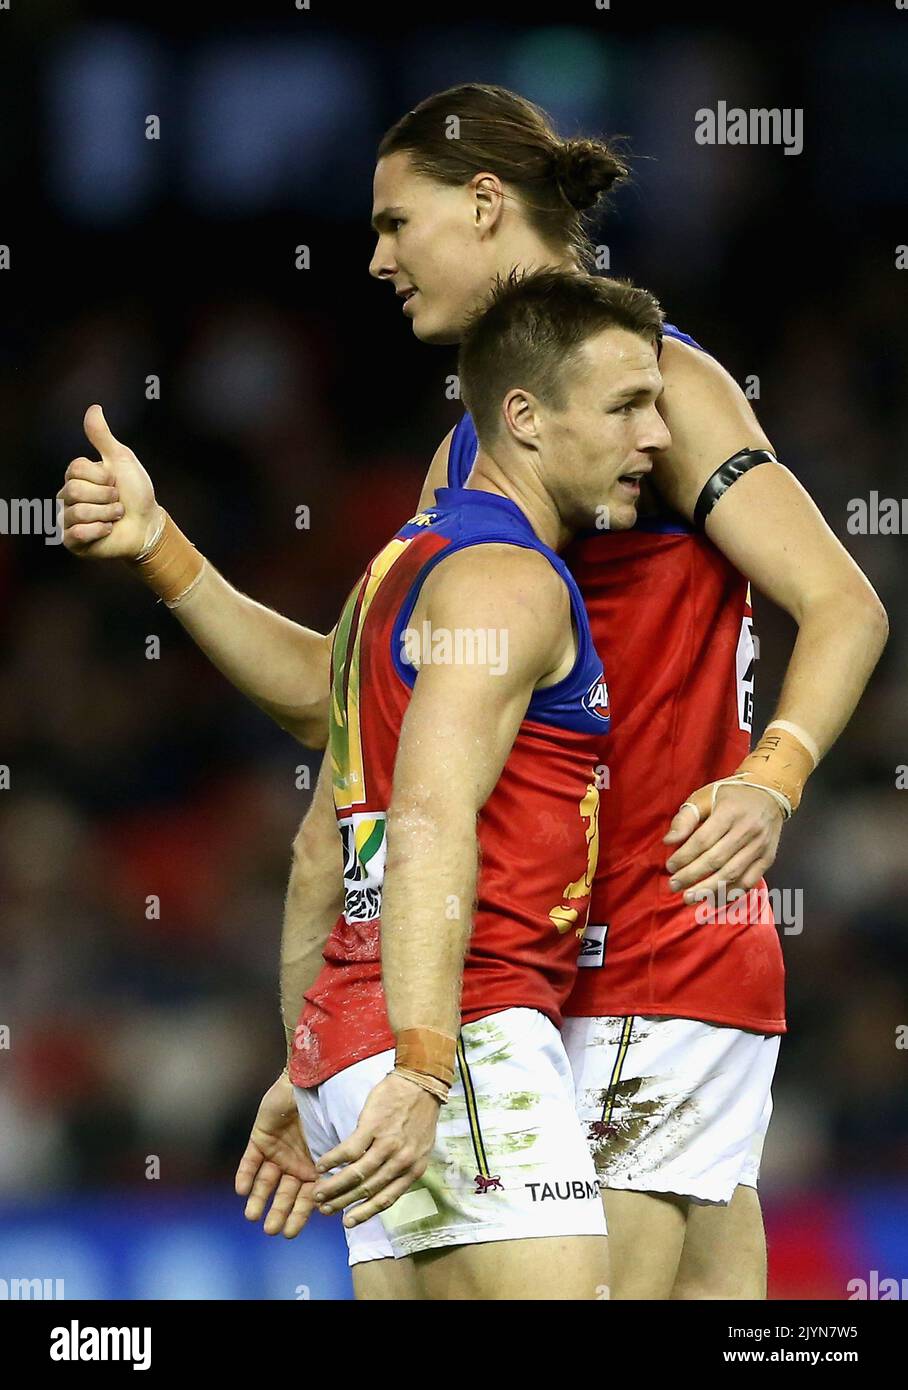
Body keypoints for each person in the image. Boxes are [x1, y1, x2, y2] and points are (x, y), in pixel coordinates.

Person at [57, 84, 888, 1300]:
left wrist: (776, 771)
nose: (379, 257)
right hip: (536, 973)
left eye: (399, 223)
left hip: (647, 955)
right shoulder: (480, 462)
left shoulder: (654, 390)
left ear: (485, 204)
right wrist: (163, 552)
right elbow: (345, 706)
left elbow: (843, 603)